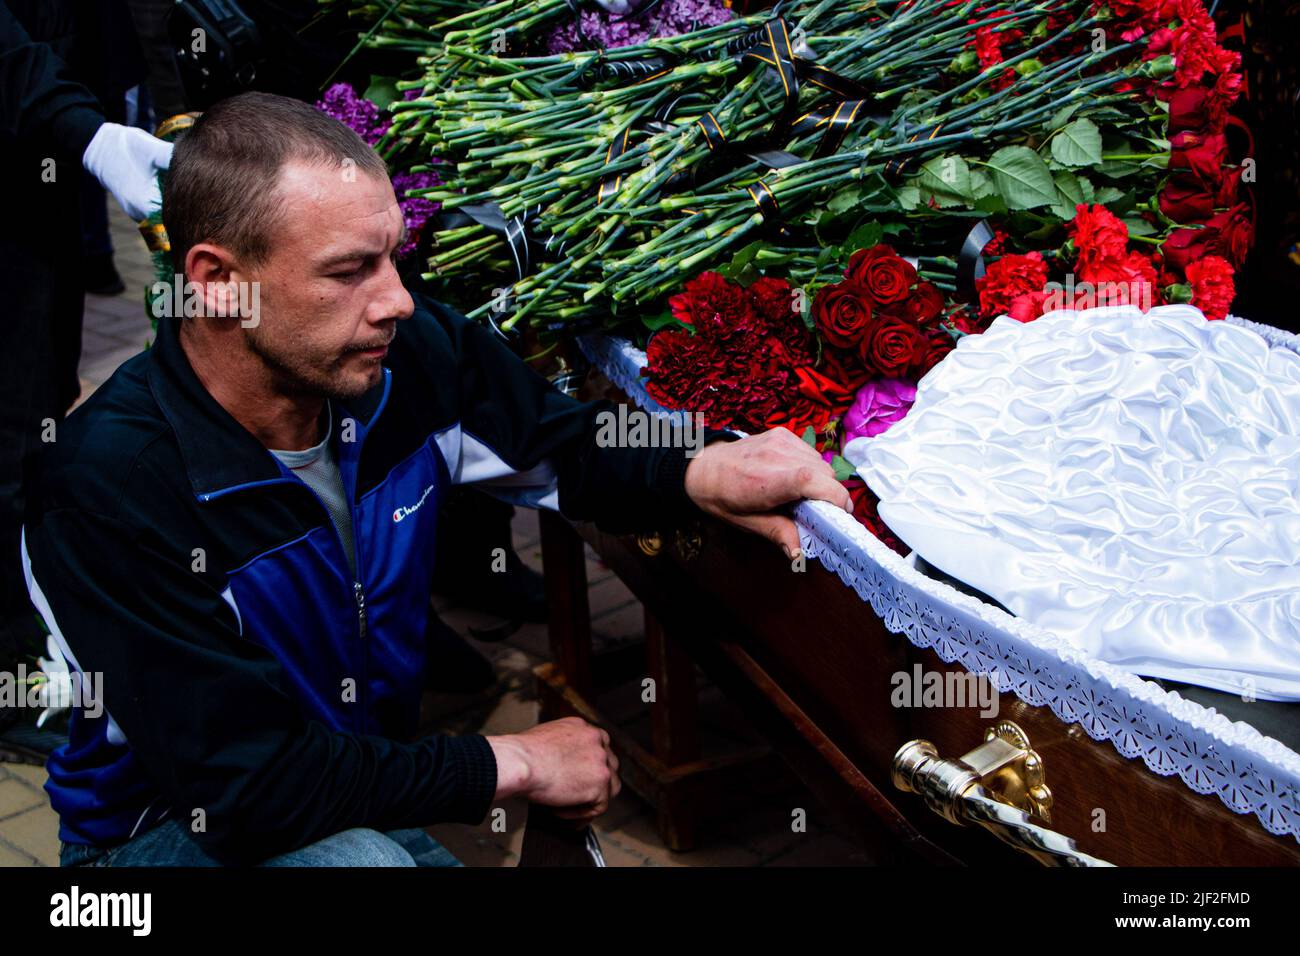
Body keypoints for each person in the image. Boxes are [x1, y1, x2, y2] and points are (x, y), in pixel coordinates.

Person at [21, 92, 852, 867]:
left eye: (391, 255)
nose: (398, 301)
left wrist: (703, 467)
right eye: (349, 271)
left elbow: (562, 442)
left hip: (354, 783)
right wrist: (514, 760)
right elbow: (250, 784)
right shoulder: (107, 488)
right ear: (216, 282)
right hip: (166, 838)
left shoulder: (403, 364)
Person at [0, 0, 172, 719]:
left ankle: (35, 622)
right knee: (11, 425)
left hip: (45, 141)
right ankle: (13, 669)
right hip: (35, 119)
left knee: (39, 393)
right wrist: (90, 132)